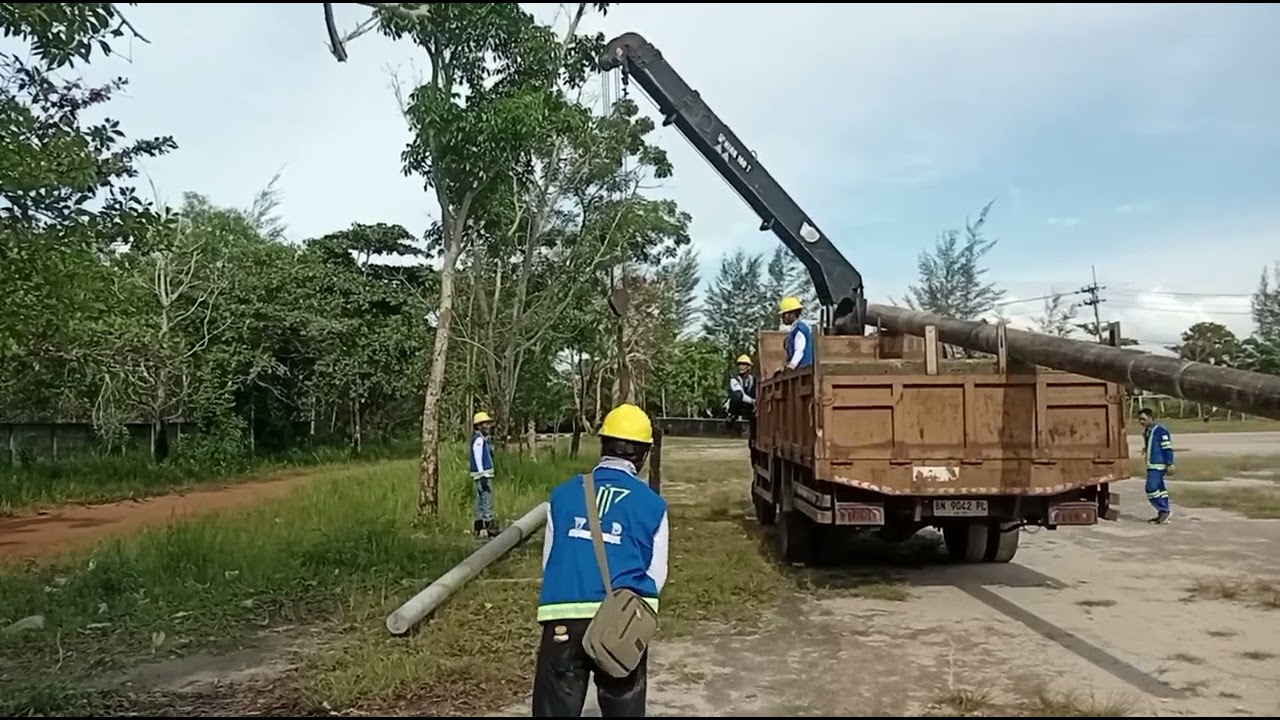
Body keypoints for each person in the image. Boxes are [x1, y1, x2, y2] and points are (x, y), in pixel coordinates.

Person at [532, 403, 669, 718]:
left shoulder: (561, 496)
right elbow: (656, 576)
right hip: (621, 623)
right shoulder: (653, 505)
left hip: (563, 616)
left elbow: (549, 560)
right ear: (644, 455)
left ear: (603, 445)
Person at [1137, 407, 1175, 524]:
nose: (1141, 422)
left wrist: (1170, 463)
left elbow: (1167, 448)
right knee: (1161, 489)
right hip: (1151, 464)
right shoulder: (1148, 431)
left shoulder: (1160, 431)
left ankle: (1163, 510)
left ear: (1150, 418)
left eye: (1143, 419)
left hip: (1158, 465)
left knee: (1151, 489)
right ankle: (1164, 512)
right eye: (1139, 419)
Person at [469, 411, 499, 539]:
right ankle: (488, 524)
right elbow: (477, 455)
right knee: (486, 497)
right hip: (483, 474)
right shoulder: (479, 440)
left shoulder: (482, 439)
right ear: (479, 426)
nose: (488, 426)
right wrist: (482, 472)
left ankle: (479, 526)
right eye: (485, 424)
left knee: (479, 499)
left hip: (480, 474)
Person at [779, 295, 814, 370]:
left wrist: (792, 366)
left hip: (803, 369)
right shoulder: (795, 329)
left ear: (792, 314)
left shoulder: (799, 329)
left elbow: (799, 350)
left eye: (784, 314)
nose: (783, 317)